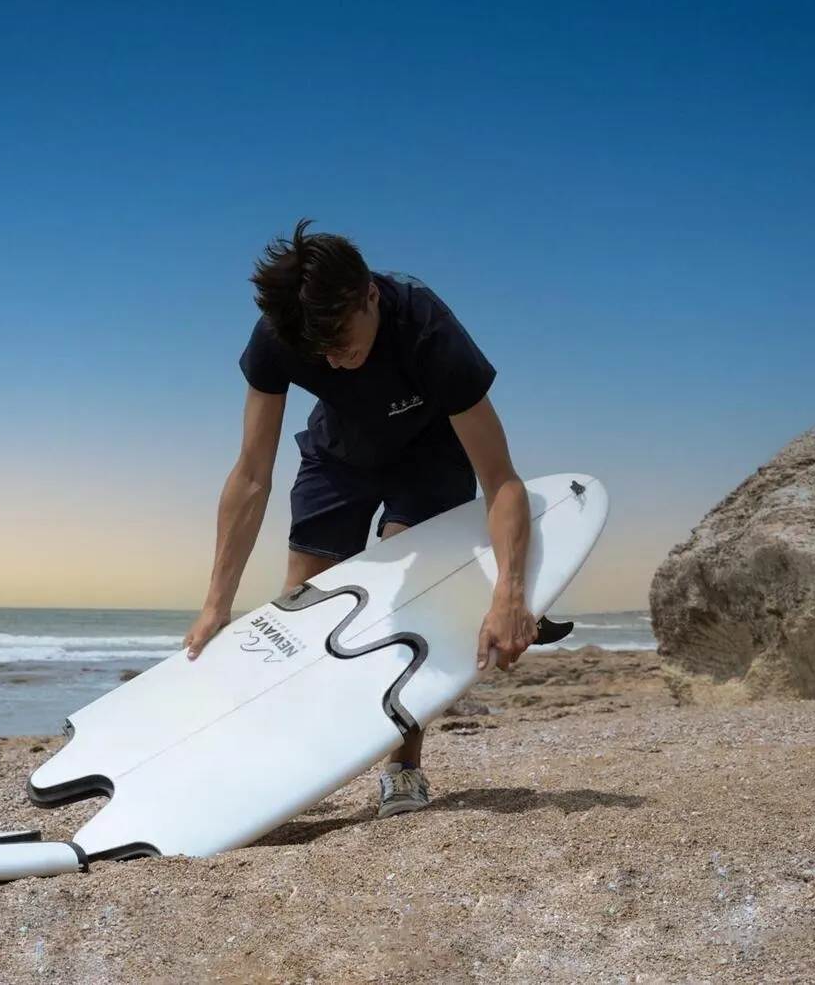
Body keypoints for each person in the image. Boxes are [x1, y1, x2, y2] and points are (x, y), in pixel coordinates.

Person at [182, 218, 571, 819]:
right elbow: (251, 476)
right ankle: (293, 758)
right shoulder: (281, 335)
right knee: (301, 606)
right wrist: (216, 604)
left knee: (404, 598)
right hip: (339, 454)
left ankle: (404, 770)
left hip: (431, 456)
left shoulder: (426, 329)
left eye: (342, 342)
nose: (335, 363)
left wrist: (510, 595)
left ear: (369, 294)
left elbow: (502, 482)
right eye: (320, 353)